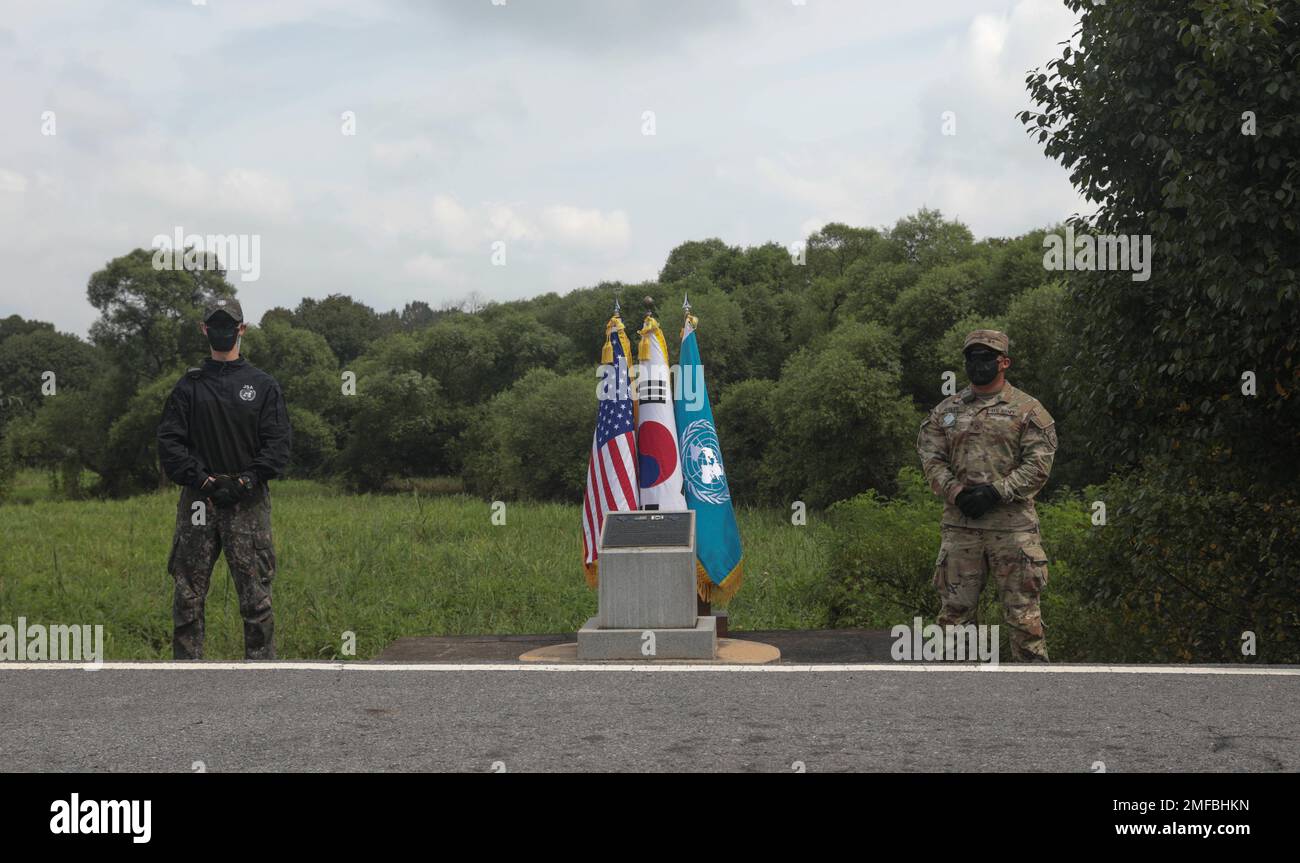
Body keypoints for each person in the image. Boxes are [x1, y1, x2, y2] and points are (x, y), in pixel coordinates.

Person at [157, 298, 291, 659]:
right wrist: (203, 481)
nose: (221, 330)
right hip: (199, 501)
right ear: (204, 330)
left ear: (241, 329)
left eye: (228, 324)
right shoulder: (189, 386)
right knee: (187, 594)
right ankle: (188, 675)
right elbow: (169, 444)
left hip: (248, 502)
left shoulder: (263, 386)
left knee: (256, 597)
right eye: (214, 324)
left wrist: (246, 481)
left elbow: (278, 447)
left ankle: (262, 677)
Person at [916, 329, 1057, 662]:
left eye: (986, 358)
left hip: (1013, 529)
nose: (977, 364)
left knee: (1024, 619)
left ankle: (1036, 697)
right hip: (962, 526)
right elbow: (930, 456)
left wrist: (997, 492)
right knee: (954, 618)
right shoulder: (946, 410)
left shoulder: (1026, 409)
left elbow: (1039, 464)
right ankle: (957, 698)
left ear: (1003, 362)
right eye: (971, 358)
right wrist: (954, 490)